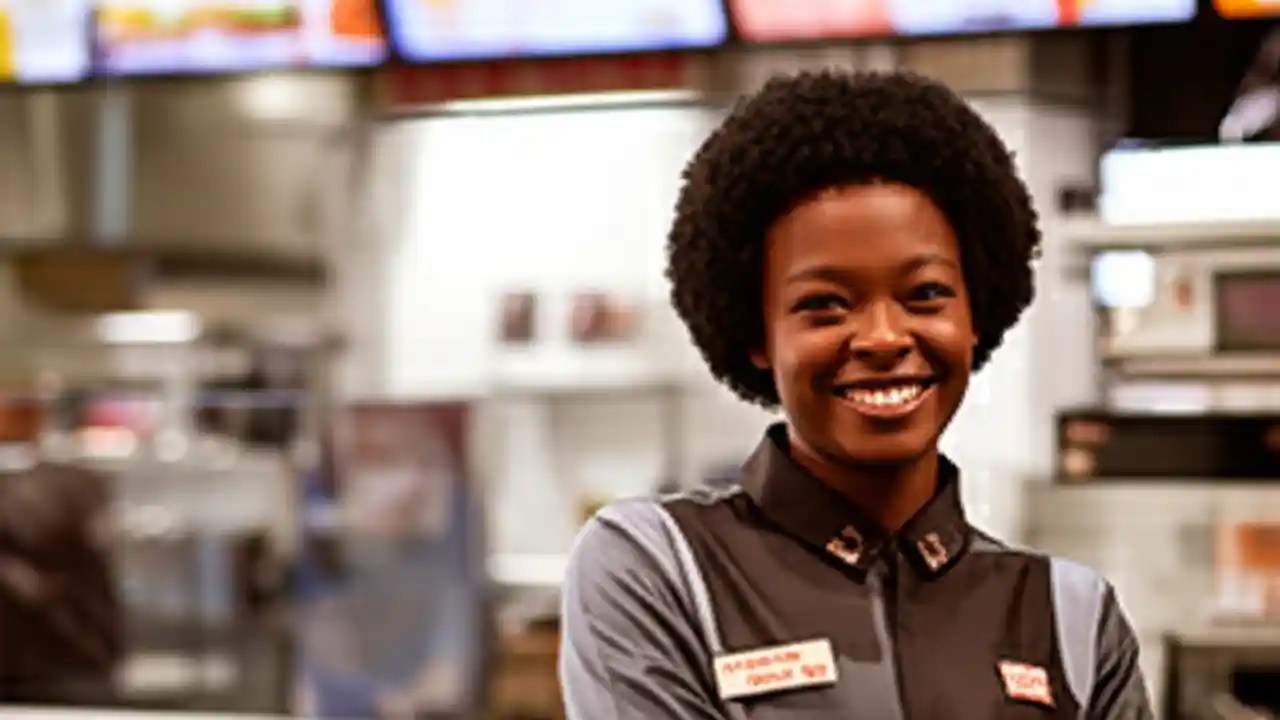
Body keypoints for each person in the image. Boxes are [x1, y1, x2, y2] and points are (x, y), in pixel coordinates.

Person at [558, 70, 1152, 719]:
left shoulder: (1070, 617)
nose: (882, 337)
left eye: (925, 294)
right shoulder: (658, 567)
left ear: (975, 313)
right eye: (825, 305)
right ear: (758, 333)